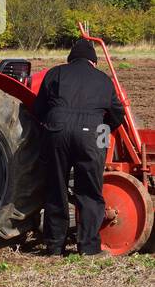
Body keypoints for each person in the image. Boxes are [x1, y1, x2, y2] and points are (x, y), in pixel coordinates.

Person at [34, 38, 124, 256]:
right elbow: (117, 115)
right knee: (90, 192)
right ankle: (89, 248)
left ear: (71, 59)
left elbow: (38, 108)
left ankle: (54, 247)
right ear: (93, 62)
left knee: (56, 188)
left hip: (57, 131)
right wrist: (100, 129)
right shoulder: (104, 80)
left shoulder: (55, 73)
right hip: (92, 135)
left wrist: (54, 125)